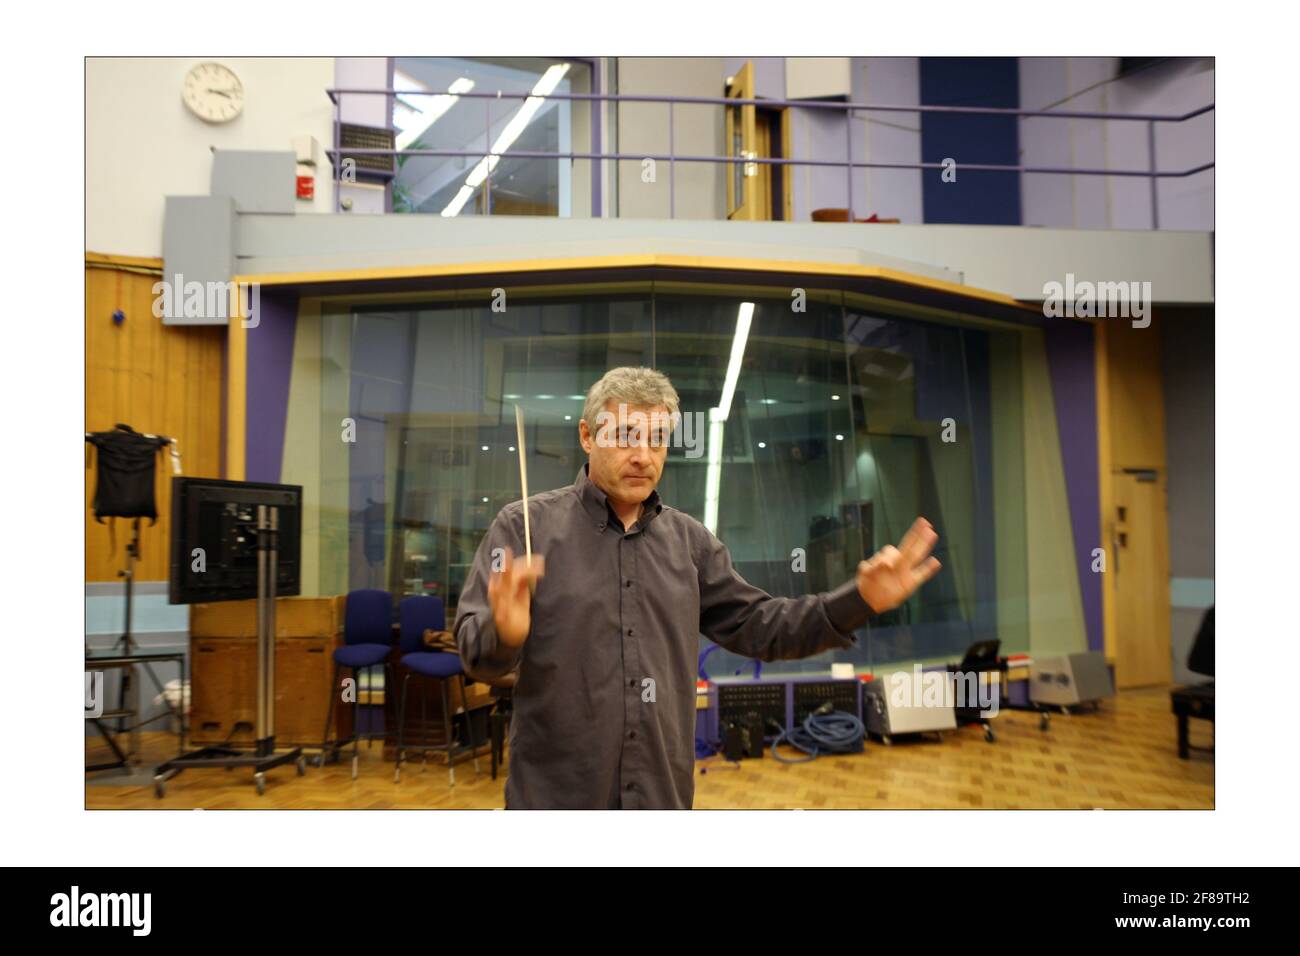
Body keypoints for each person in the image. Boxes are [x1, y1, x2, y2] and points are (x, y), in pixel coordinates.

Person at [454, 366, 940, 809]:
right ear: (587, 435)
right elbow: (478, 657)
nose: (643, 456)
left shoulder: (690, 543)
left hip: (662, 800)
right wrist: (506, 631)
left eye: (657, 438)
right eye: (625, 436)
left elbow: (764, 628)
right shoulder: (523, 529)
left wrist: (860, 600)